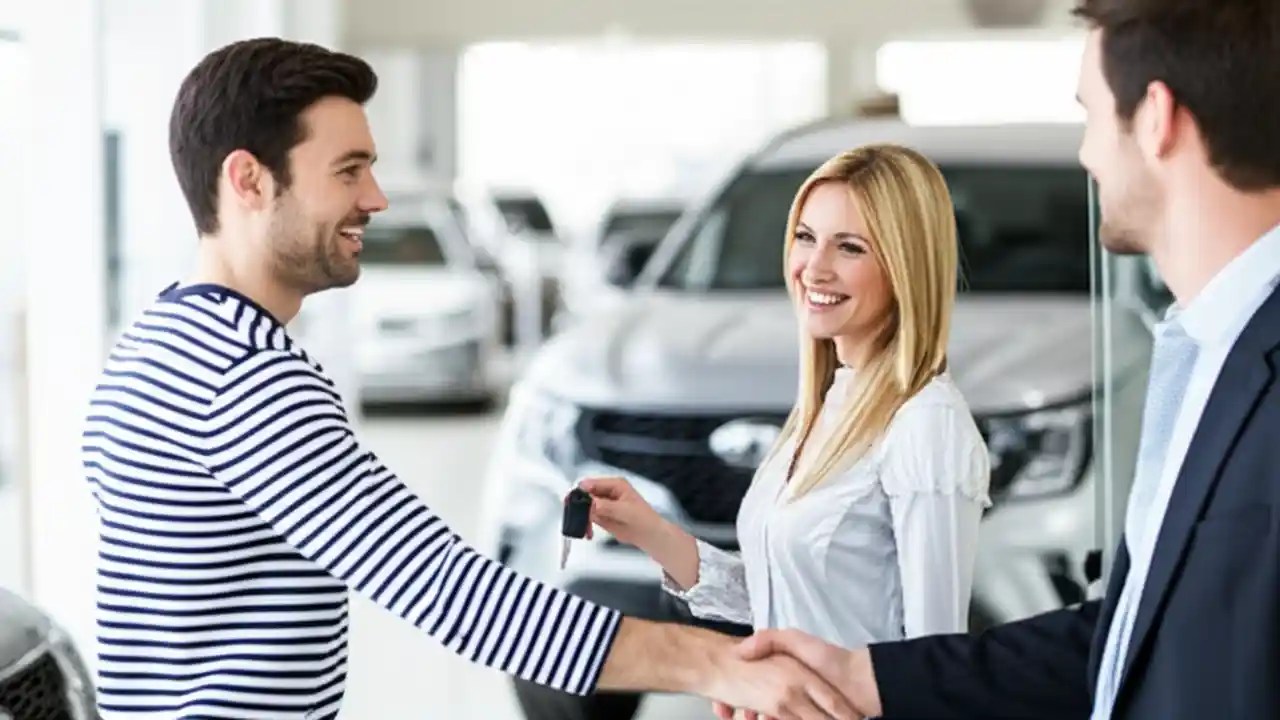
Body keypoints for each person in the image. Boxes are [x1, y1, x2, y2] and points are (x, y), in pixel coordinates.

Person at [79, 37, 859, 720]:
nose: (375, 199)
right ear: (248, 180)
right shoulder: (247, 378)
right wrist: (724, 664)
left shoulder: (156, 345)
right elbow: (451, 592)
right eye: (349, 171)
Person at [718, 0, 1280, 718]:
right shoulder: (1200, 351)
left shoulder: (1228, 357)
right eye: (805, 238)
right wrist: (868, 678)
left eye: (1090, 115)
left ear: (1156, 120)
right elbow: (1134, 633)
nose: (1086, 154)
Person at [578, 145, 992, 651]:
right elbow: (785, 603)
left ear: (906, 266)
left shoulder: (926, 424)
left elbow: (933, 663)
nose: (814, 268)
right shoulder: (827, 403)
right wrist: (649, 530)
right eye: (805, 237)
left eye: (850, 247)